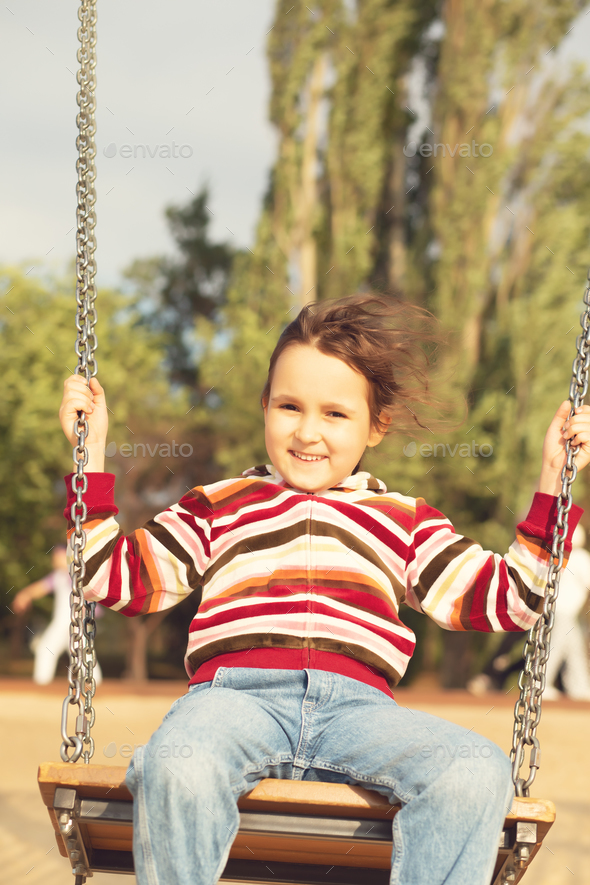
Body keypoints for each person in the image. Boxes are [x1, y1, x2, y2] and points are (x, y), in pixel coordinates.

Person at [58, 293, 590, 885]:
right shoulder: (219, 507)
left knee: (473, 767)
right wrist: (91, 455)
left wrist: (554, 479)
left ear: (376, 425)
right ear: (265, 407)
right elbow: (114, 578)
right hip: (235, 702)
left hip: (359, 716)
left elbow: (510, 597)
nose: (308, 432)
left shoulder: (403, 521)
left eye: (335, 414)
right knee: (176, 763)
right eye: (290, 406)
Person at [12, 545, 103, 686]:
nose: (54, 560)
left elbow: (90, 597)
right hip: (64, 621)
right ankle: (95, 682)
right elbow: (41, 587)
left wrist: (88, 616)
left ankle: (42, 684)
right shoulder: (59, 576)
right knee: (81, 653)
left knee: (49, 648)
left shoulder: (75, 574)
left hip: (72, 621)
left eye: (57, 557)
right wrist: (25, 595)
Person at [543, 523, 590, 700]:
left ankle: (580, 688)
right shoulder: (581, 558)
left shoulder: (560, 556)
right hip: (565, 612)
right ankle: (542, 684)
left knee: (573, 649)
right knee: (555, 647)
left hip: (558, 610)